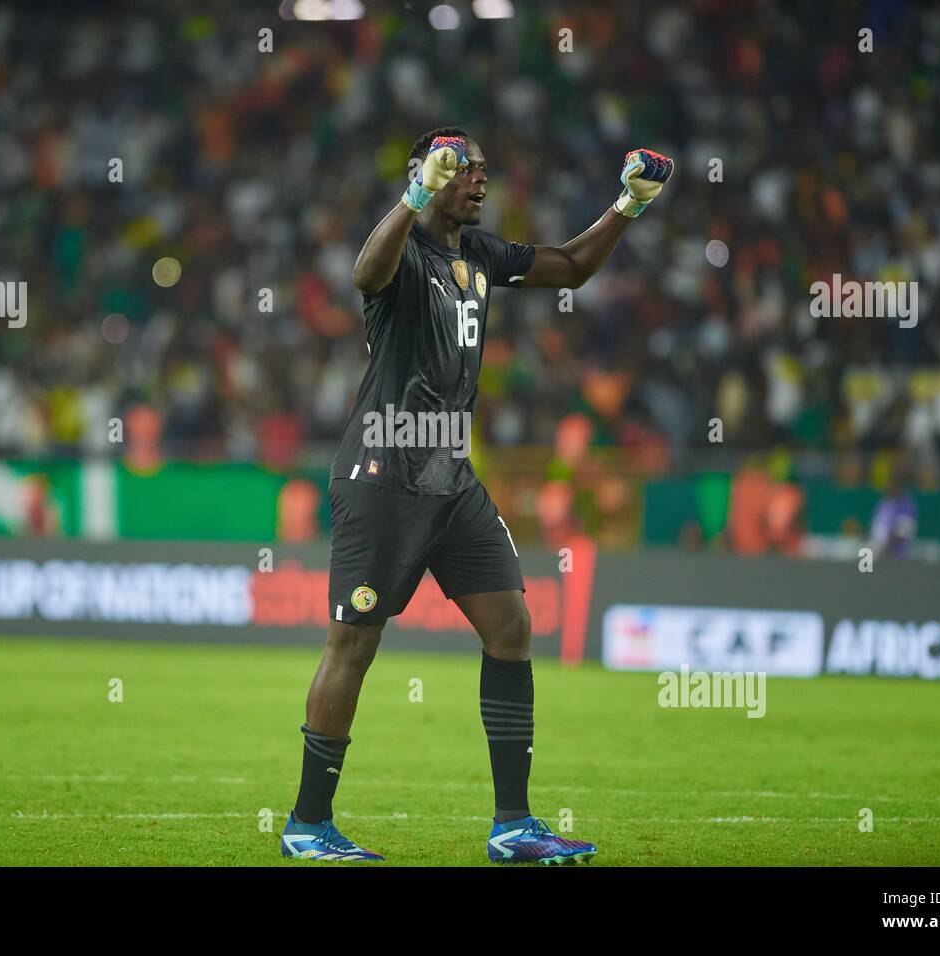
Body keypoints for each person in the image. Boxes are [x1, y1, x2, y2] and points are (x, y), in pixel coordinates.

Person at [281, 127, 673, 864]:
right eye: (463, 170)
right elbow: (364, 274)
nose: (480, 181)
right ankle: (307, 823)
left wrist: (629, 204)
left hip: (450, 477)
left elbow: (572, 268)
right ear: (427, 176)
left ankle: (514, 825)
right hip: (383, 474)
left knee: (511, 625)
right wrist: (414, 197)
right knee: (354, 646)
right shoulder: (403, 256)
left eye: (483, 171)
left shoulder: (482, 255)